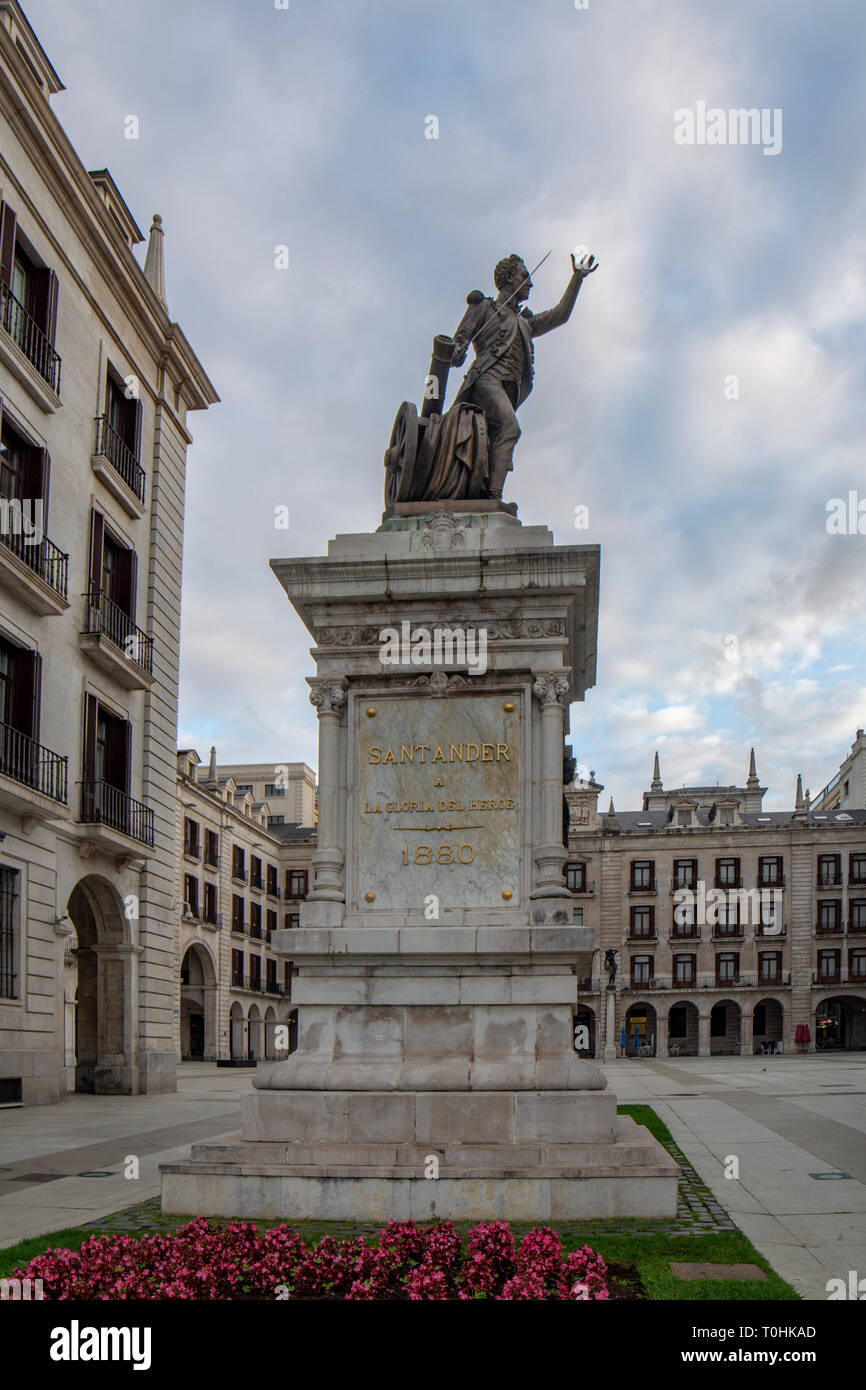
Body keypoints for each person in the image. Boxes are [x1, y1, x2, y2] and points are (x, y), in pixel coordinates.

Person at [449, 250, 597, 499]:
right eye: (524, 276)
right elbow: (460, 340)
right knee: (510, 427)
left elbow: (560, 315)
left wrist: (577, 279)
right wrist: (456, 350)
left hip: (508, 389)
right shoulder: (484, 307)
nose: (530, 282)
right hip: (486, 379)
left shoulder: (525, 322)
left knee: (499, 436)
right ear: (509, 279)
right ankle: (493, 497)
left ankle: (483, 491)